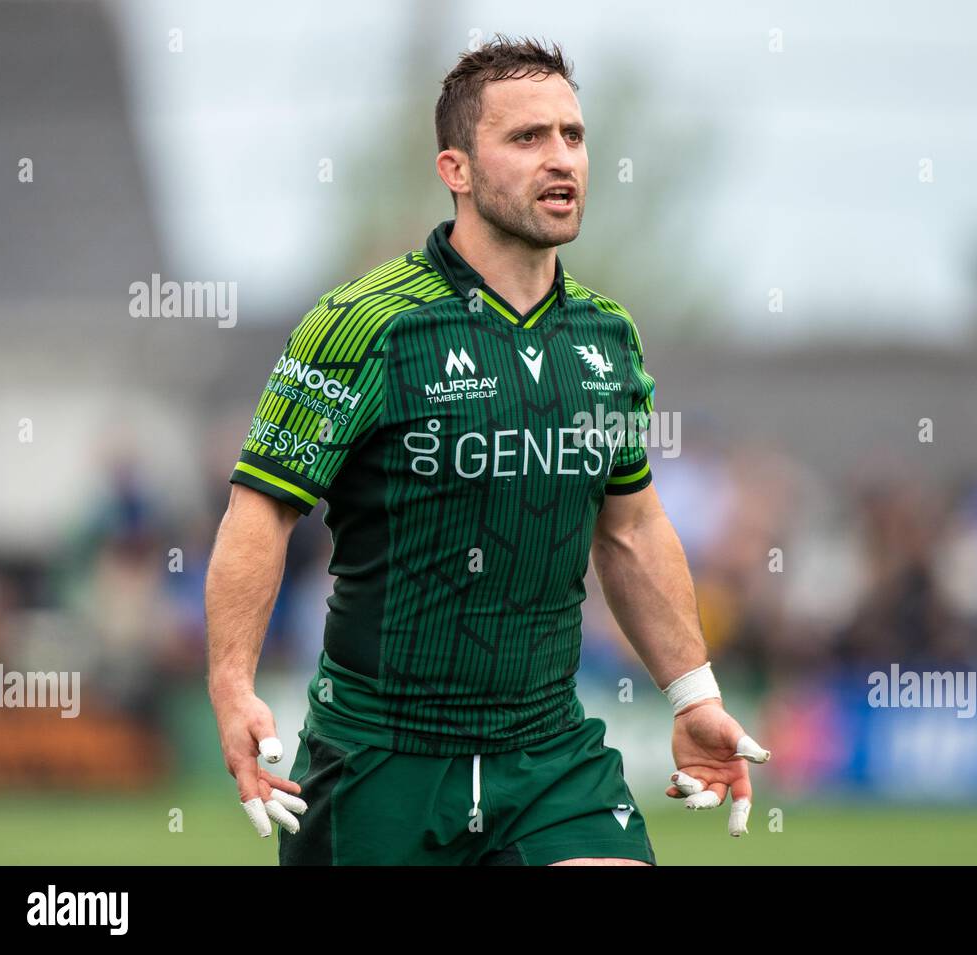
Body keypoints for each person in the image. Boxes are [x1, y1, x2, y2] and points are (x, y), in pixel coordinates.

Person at [204, 35, 768, 866]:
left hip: (549, 756)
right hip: (379, 761)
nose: (561, 159)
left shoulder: (607, 338)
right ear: (456, 169)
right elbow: (261, 511)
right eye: (527, 137)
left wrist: (692, 693)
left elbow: (633, 529)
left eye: (572, 136)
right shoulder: (364, 325)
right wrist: (231, 684)